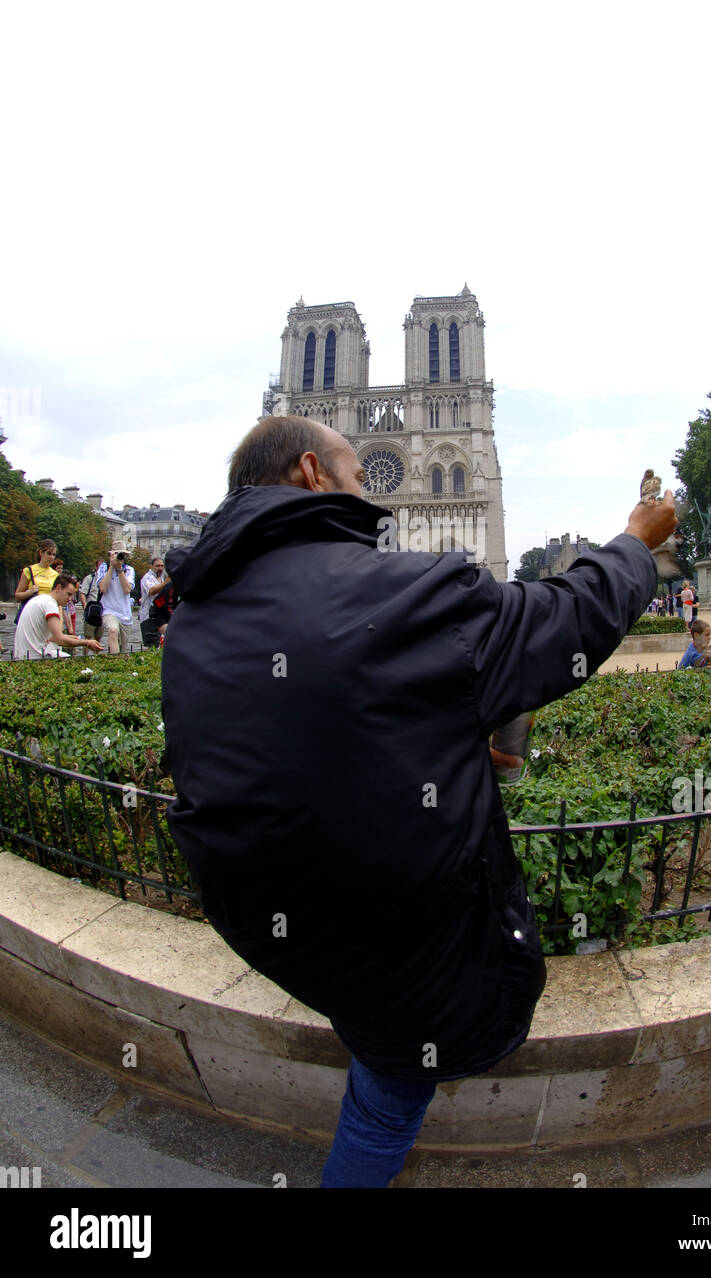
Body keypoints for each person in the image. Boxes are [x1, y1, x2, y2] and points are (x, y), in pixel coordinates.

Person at [161, 414, 677, 1189]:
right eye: (359, 475)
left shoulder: (195, 616)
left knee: (372, 1025)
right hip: (389, 932)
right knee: (389, 1094)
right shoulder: (398, 587)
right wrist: (635, 542)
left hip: (266, 919)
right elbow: (561, 622)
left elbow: (309, 722)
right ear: (310, 472)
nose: (370, 490)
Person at [13, 574, 104, 660]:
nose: (70, 599)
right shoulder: (50, 604)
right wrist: (87, 643)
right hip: (34, 657)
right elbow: (59, 640)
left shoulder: (40, 599)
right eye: (68, 594)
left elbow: (52, 637)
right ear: (58, 588)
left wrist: (76, 639)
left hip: (21, 656)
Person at [93, 542, 135, 653]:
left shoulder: (129, 570)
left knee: (124, 648)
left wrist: (120, 569)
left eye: (122, 554)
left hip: (124, 613)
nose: (120, 557)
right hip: (108, 610)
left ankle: (120, 665)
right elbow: (103, 588)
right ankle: (115, 661)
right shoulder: (103, 567)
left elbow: (127, 589)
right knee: (113, 630)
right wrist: (112, 567)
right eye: (117, 554)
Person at [14, 540, 59, 619]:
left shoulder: (56, 575)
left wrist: (60, 620)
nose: (51, 557)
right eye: (48, 554)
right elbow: (17, 596)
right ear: (41, 553)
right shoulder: (29, 570)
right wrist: (30, 592)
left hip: (48, 613)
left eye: (53, 554)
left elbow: (58, 600)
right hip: (31, 613)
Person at [139, 558, 168, 647]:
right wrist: (167, 582)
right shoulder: (147, 577)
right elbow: (152, 591)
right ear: (152, 567)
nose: (160, 568)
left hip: (160, 616)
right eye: (157, 566)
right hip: (148, 616)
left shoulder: (162, 578)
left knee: (164, 641)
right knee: (152, 645)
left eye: (162, 566)